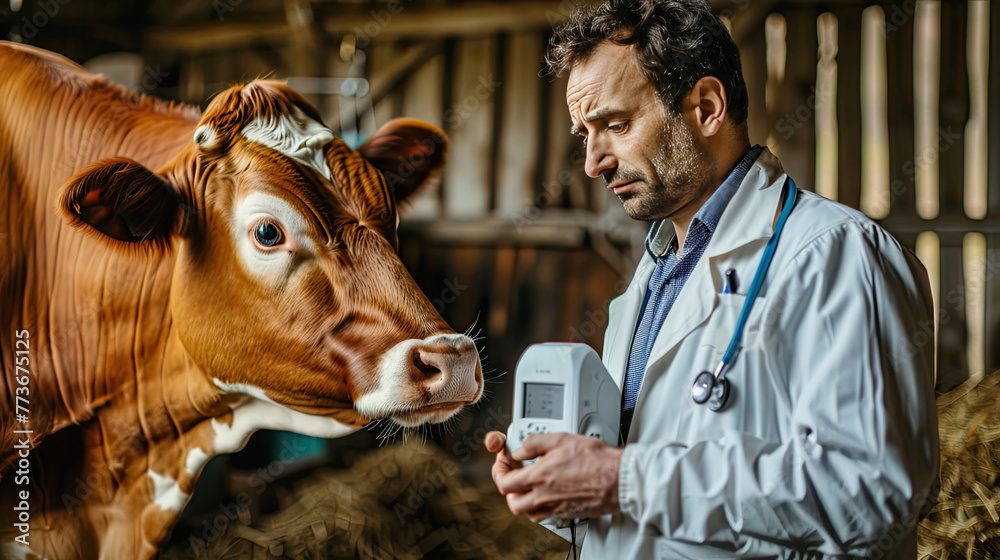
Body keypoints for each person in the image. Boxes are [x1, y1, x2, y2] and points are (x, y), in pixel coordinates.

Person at [484, 0, 940, 557]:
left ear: (705, 107)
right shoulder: (649, 283)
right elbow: (630, 504)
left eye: (616, 125)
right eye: (585, 135)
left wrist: (620, 480)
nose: (592, 163)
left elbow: (872, 495)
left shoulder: (835, 255)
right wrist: (557, 486)